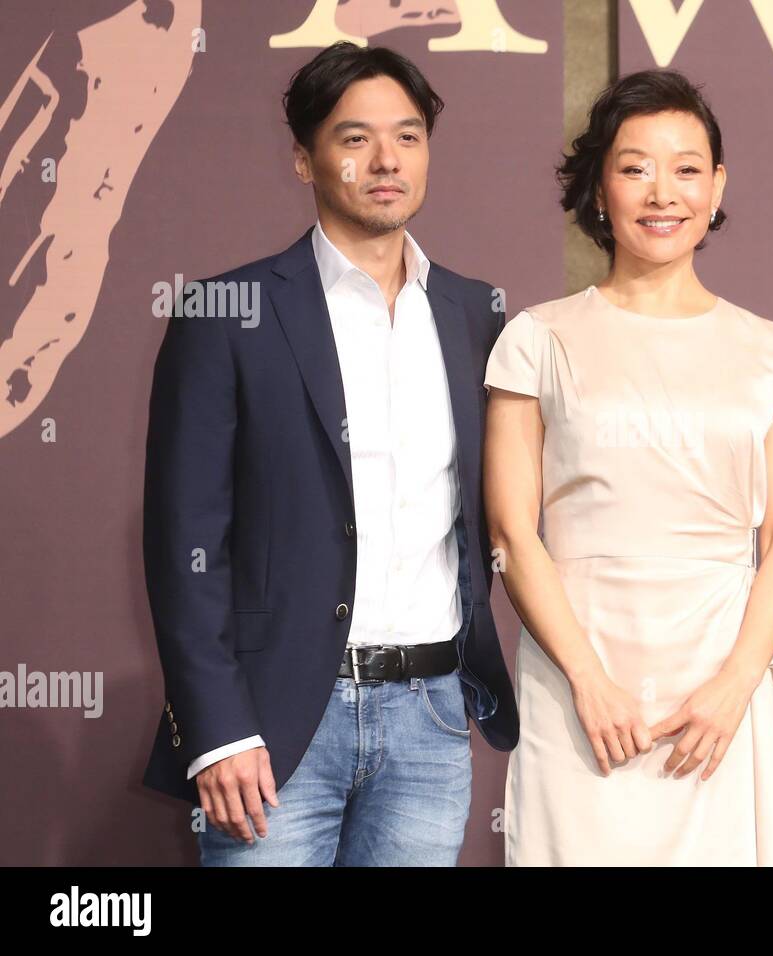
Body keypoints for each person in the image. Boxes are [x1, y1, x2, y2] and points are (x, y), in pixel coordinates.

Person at [140, 42, 517, 865]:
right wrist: (216, 730)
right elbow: (183, 545)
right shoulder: (225, 314)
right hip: (273, 729)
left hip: (431, 718)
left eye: (409, 136)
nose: (387, 160)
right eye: (355, 139)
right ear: (304, 161)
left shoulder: (477, 316)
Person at [483, 69, 773, 865]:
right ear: (600, 189)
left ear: (716, 188)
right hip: (579, 676)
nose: (662, 192)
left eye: (687, 168)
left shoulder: (771, 351)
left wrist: (737, 683)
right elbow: (512, 533)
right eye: (635, 167)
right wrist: (587, 679)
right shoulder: (537, 338)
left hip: (720, 677)